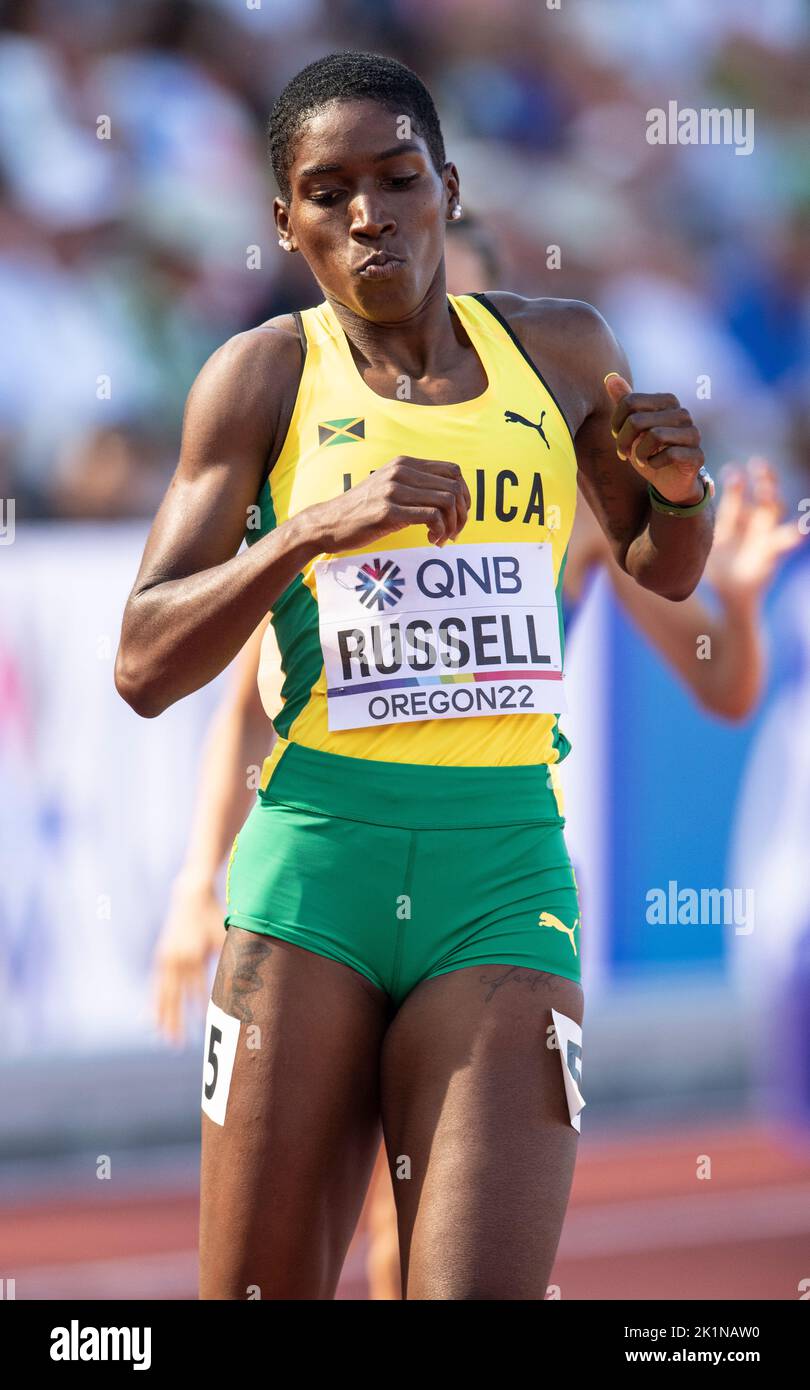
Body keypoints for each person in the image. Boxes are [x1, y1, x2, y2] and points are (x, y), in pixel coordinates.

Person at [116, 51, 715, 1300]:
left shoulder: (561, 349)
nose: (367, 215)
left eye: (395, 179)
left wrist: (681, 497)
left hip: (500, 873)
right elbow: (141, 662)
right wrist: (304, 533)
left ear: (447, 184)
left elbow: (661, 568)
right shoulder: (263, 377)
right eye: (326, 192)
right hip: (313, 873)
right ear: (283, 220)